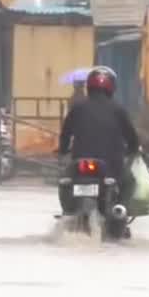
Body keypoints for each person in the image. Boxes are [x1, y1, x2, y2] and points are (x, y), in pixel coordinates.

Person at [57, 67, 140, 215]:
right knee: (129, 182)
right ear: (112, 87)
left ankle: (67, 212)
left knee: (65, 180)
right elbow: (132, 137)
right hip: (111, 164)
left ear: (88, 86)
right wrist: (133, 149)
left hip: (79, 162)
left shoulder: (77, 107)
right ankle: (119, 210)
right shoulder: (118, 109)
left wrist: (63, 150)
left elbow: (65, 133)